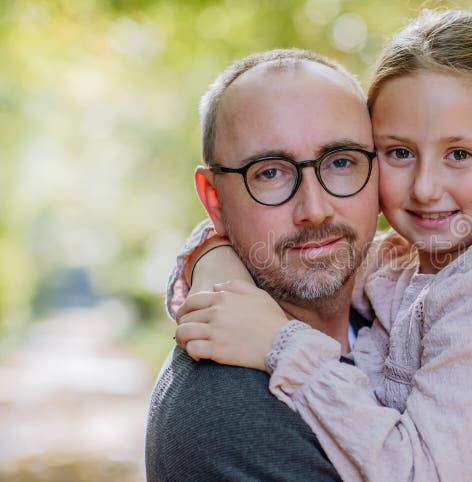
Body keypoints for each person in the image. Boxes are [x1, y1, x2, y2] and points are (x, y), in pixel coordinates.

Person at [175, 10, 472, 481]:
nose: (426, 187)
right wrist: (223, 286)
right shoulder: (397, 263)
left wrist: (280, 344)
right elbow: (272, 250)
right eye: (400, 153)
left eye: (459, 154)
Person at [145, 48, 382, 481]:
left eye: (341, 162)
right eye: (270, 172)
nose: (315, 208)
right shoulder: (228, 409)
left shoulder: (401, 318)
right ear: (214, 200)